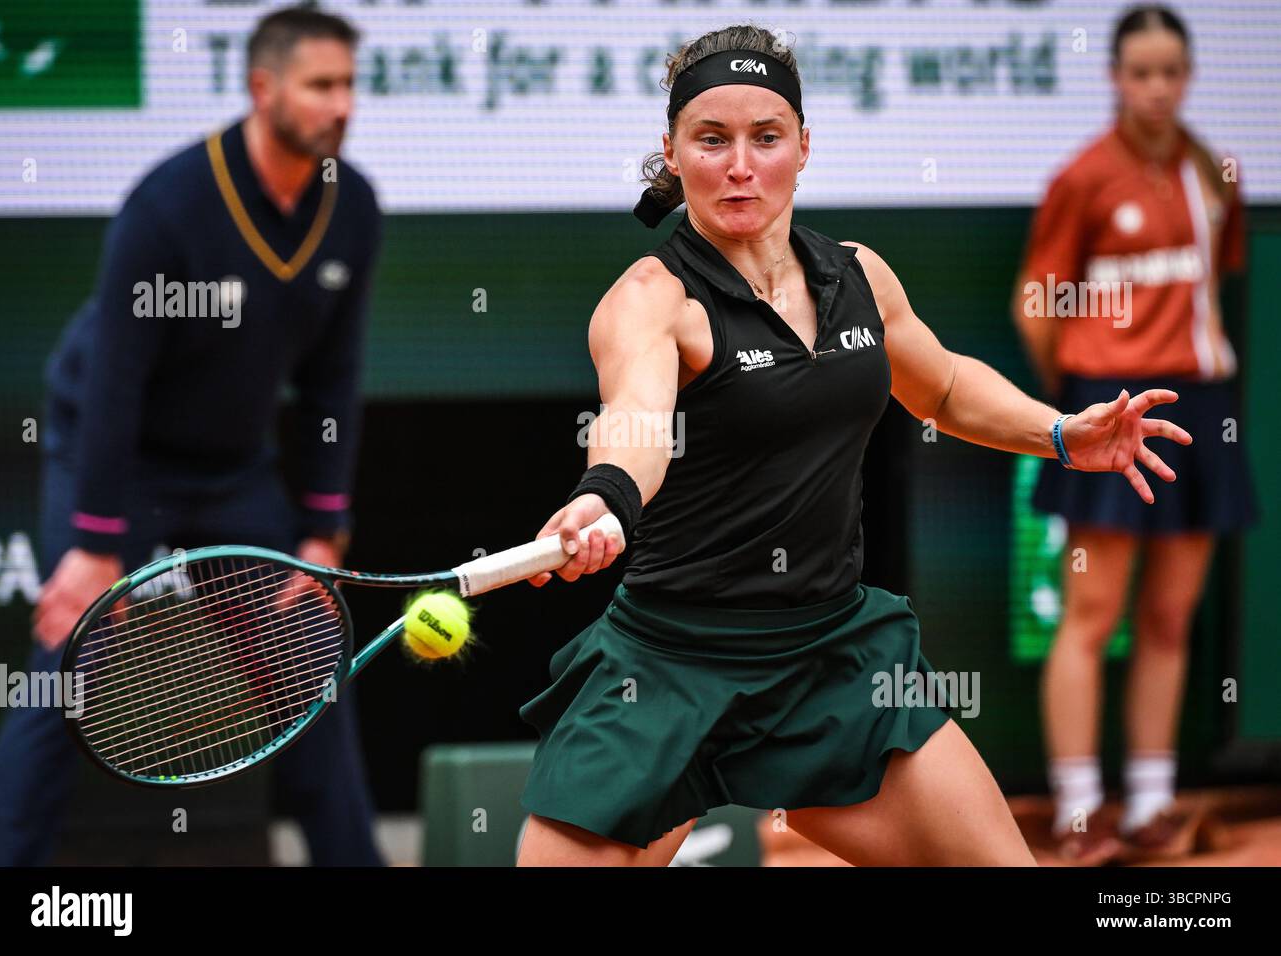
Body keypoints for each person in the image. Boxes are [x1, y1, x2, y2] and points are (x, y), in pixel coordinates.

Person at [512, 23, 1189, 867]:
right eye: (711, 139)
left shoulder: (859, 276)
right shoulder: (651, 299)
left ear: (804, 147)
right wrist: (603, 494)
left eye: (766, 138)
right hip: (668, 667)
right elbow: (638, 420)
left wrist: (1058, 433)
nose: (739, 164)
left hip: (832, 659)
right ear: (672, 153)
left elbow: (939, 385)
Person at [0, 6, 385, 866]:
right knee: (68, 661)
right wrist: (95, 546)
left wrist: (321, 528)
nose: (341, 105)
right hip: (118, 459)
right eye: (321, 85)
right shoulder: (166, 207)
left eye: (350, 85)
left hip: (236, 472)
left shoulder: (354, 209)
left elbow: (332, 380)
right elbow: (115, 387)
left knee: (309, 665)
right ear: (262, 87)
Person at [1014, 4, 1257, 866]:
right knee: (1091, 614)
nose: (1157, 88)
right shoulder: (1082, 178)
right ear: (1115, 78)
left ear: (1187, 78)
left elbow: (1217, 276)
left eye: (1171, 72)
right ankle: (1080, 813)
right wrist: (1081, 401)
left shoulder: (1210, 173)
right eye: (1140, 72)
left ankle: (1152, 805)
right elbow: (1036, 304)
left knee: (1168, 614)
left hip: (1199, 405)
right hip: (1110, 407)